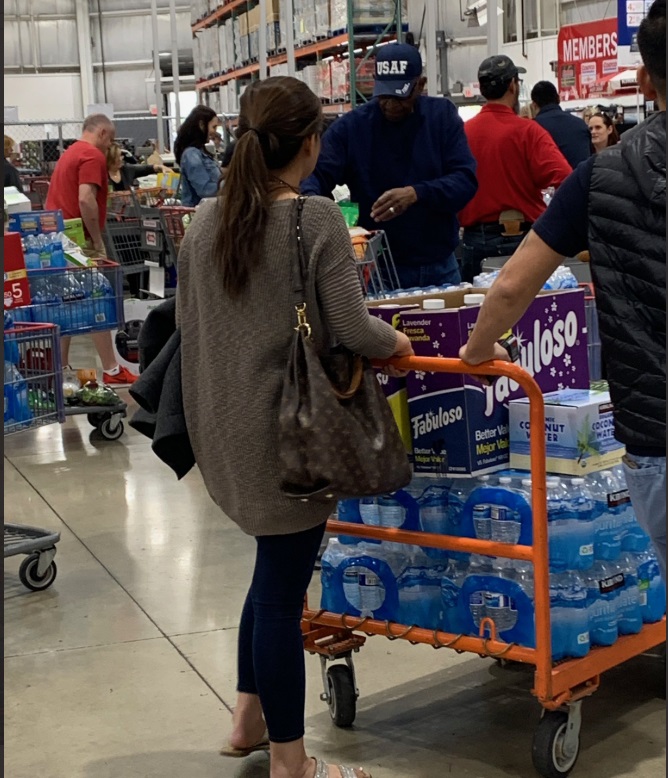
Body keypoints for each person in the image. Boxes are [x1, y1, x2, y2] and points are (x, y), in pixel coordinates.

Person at [177, 76, 413, 778]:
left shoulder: (203, 219)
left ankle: (248, 721)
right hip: (290, 435)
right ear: (311, 143)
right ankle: (291, 762)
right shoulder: (313, 220)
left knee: (270, 570)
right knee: (283, 594)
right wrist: (395, 344)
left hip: (222, 425)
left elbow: (190, 328)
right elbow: (349, 326)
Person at [459, 0, 666, 581]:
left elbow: (512, 287)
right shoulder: (541, 143)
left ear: (645, 79)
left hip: (655, 436)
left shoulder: (602, 176)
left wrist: (477, 351)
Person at [302, 42, 478, 288]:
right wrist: (320, 214)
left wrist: (416, 193)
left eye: (399, 96)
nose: (390, 104)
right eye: (384, 95)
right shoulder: (353, 127)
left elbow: (465, 180)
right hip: (377, 271)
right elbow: (314, 175)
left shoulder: (442, 118)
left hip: (440, 267)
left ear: (421, 85)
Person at [458, 55, 572, 284]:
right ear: (513, 85)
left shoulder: (462, 133)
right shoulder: (529, 132)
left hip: (475, 240)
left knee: (480, 315)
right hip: (523, 240)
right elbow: (566, 179)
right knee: (530, 314)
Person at [45, 113, 136, 385]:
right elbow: (86, 199)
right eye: (112, 140)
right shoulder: (93, 155)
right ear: (103, 134)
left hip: (55, 238)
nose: (111, 146)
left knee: (65, 305)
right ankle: (111, 369)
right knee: (98, 299)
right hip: (77, 240)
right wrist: (97, 240)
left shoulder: (71, 152)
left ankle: (60, 369)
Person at [531, 80, 592, 168]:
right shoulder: (580, 124)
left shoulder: (532, 128)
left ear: (534, 105)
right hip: (581, 179)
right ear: (558, 98)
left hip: (551, 180)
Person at [174, 106, 222, 206]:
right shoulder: (191, 155)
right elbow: (205, 190)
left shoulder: (200, 153)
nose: (215, 132)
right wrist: (233, 186)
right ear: (201, 125)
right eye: (213, 127)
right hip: (198, 215)